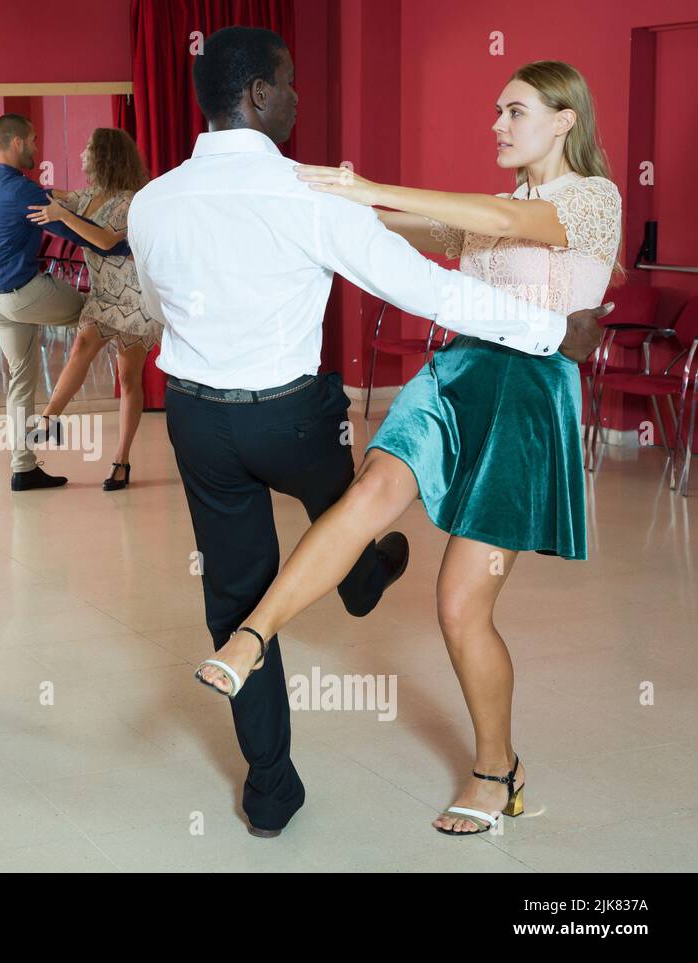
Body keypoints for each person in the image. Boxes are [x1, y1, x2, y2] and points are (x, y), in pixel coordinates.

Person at [127, 27, 608, 837]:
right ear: (260, 95)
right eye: (495, 108)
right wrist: (350, 202)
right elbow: (412, 251)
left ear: (565, 120)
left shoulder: (592, 197)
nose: (496, 121)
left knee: (458, 605)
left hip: (523, 395)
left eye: (514, 109)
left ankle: (497, 768)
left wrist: (358, 192)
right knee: (367, 493)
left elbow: (497, 217)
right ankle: (251, 636)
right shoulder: (458, 213)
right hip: (455, 376)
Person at [0, 113, 131, 490]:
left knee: (21, 379)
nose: (38, 149)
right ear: (17, 144)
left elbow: (55, 203)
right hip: (23, 296)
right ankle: (113, 382)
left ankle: (22, 468)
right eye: (34, 141)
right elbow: (76, 233)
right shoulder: (22, 191)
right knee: (99, 311)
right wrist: (124, 247)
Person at [25, 127, 161, 491]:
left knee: (129, 379)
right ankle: (48, 421)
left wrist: (63, 214)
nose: (82, 155)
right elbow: (57, 197)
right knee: (81, 348)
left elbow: (101, 240)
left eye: (88, 149)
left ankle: (121, 460)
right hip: (103, 297)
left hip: (134, 301)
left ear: (104, 157)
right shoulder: (89, 196)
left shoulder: (130, 201)